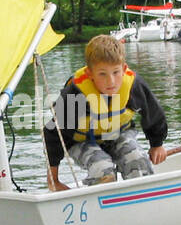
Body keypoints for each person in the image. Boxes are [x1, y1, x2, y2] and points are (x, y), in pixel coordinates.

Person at [43, 35, 168, 190]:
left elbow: (154, 115)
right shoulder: (75, 94)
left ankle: (143, 196)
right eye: (102, 74)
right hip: (82, 141)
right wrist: (53, 180)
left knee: (137, 159)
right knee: (102, 168)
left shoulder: (134, 86)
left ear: (123, 69)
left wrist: (157, 144)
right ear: (90, 74)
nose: (111, 82)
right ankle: (98, 203)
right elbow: (52, 134)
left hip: (118, 133)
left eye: (116, 72)